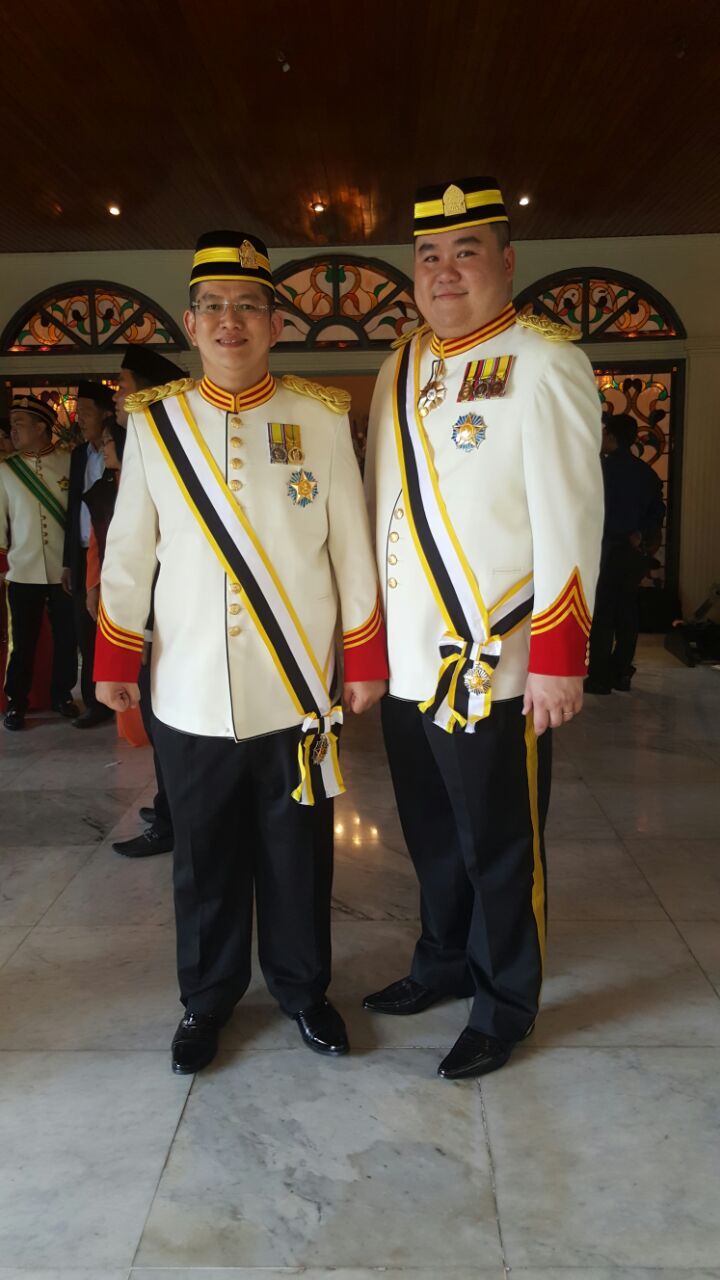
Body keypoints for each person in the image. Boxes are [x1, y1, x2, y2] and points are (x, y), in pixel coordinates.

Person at [95, 230, 388, 1074]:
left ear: (274, 322)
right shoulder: (157, 424)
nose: (231, 322)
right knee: (206, 861)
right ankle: (208, 998)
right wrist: (117, 655)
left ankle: (303, 990)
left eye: (248, 306)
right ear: (192, 323)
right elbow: (129, 548)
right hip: (188, 690)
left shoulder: (320, 417)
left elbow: (349, 548)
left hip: (293, 690)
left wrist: (362, 660)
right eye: (215, 308)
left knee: (297, 855)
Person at [363, 177, 604, 1080]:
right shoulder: (397, 366)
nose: (445, 270)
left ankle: (505, 1001)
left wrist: (559, 659)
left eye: (467, 251)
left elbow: (570, 521)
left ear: (507, 262)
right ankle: (444, 962)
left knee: (503, 847)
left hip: (496, 666)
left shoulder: (547, 363)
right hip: (410, 664)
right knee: (431, 837)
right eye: (429, 255)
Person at [109, 347, 187, 857]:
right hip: (150, 614)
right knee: (160, 727)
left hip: (169, 615)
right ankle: (168, 806)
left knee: (169, 726)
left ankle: (173, 820)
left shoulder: (174, 438)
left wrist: (140, 628)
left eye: (123, 385)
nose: (117, 396)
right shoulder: (137, 437)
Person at [0, 395, 78, 730]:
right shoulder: (6, 470)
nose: (13, 431)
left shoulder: (70, 462)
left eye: (20, 424)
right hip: (23, 569)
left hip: (63, 569)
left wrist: (74, 562)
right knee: (22, 640)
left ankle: (62, 695)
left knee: (66, 637)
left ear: (42, 426)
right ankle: (16, 702)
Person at [585, 412, 665, 693]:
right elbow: (658, 511)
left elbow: (587, 510)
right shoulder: (648, 474)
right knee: (628, 613)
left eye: (604, 434)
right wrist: (642, 534)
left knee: (604, 615)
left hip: (606, 550)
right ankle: (622, 673)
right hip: (633, 553)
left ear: (612, 437)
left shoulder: (601, 472)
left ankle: (599, 678)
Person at [62, 381, 116, 728]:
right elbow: (72, 509)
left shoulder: (119, 449)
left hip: (114, 551)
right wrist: (69, 561)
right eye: (77, 413)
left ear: (106, 413)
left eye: (86, 412)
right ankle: (95, 701)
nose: (79, 419)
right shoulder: (80, 454)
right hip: (83, 552)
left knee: (114, 623)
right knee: (85, 626)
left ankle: (117, 694)